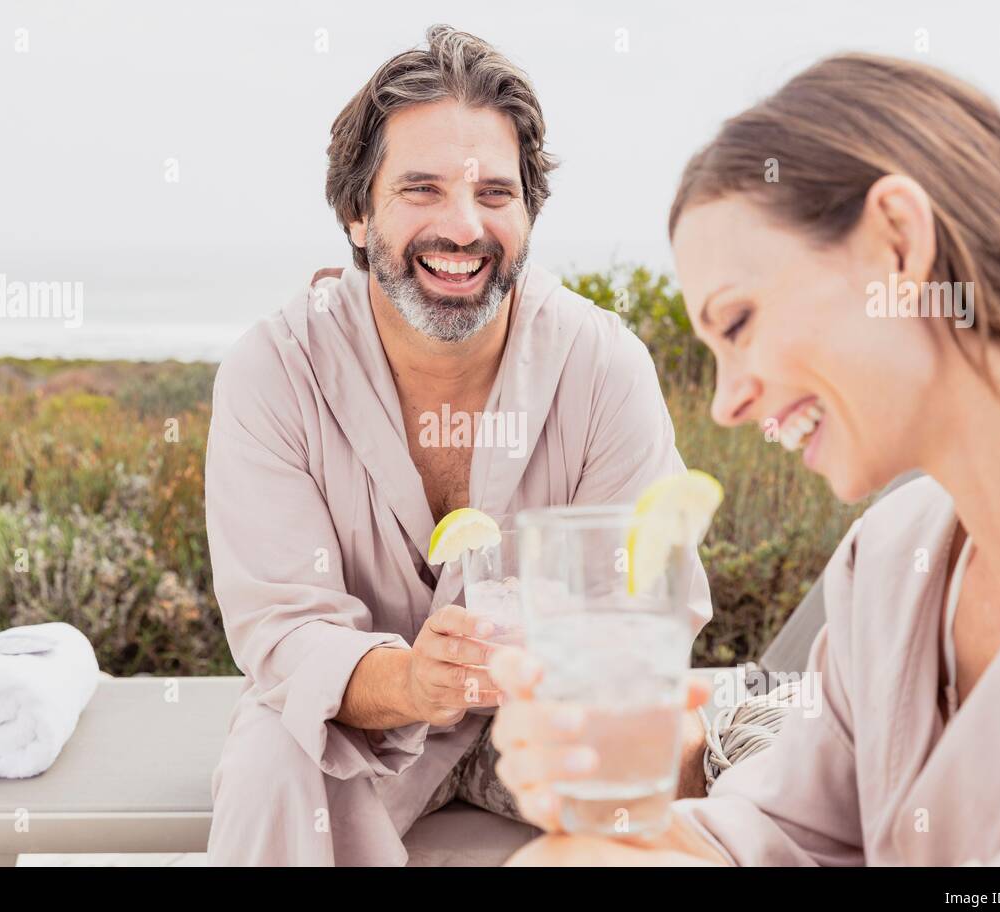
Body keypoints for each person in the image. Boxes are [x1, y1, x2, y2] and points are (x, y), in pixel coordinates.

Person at [491, 53, 1000, 866]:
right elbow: (784, 835)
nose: (724, 405)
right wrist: (623, 827)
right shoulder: (893, 562)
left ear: (901, 244)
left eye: (740, 320)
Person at [204, 25, 711, 866]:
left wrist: (581, 681)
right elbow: (284, 629)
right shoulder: (274, 371)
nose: (464, 227)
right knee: (270, 759)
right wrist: (412, 682)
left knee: (682, 767)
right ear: (357, 213)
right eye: (422, 190)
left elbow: (651, 598)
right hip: (368, 727)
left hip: (552, 723)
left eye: (495, 194)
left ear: (528, 212)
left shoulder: (603, 366)